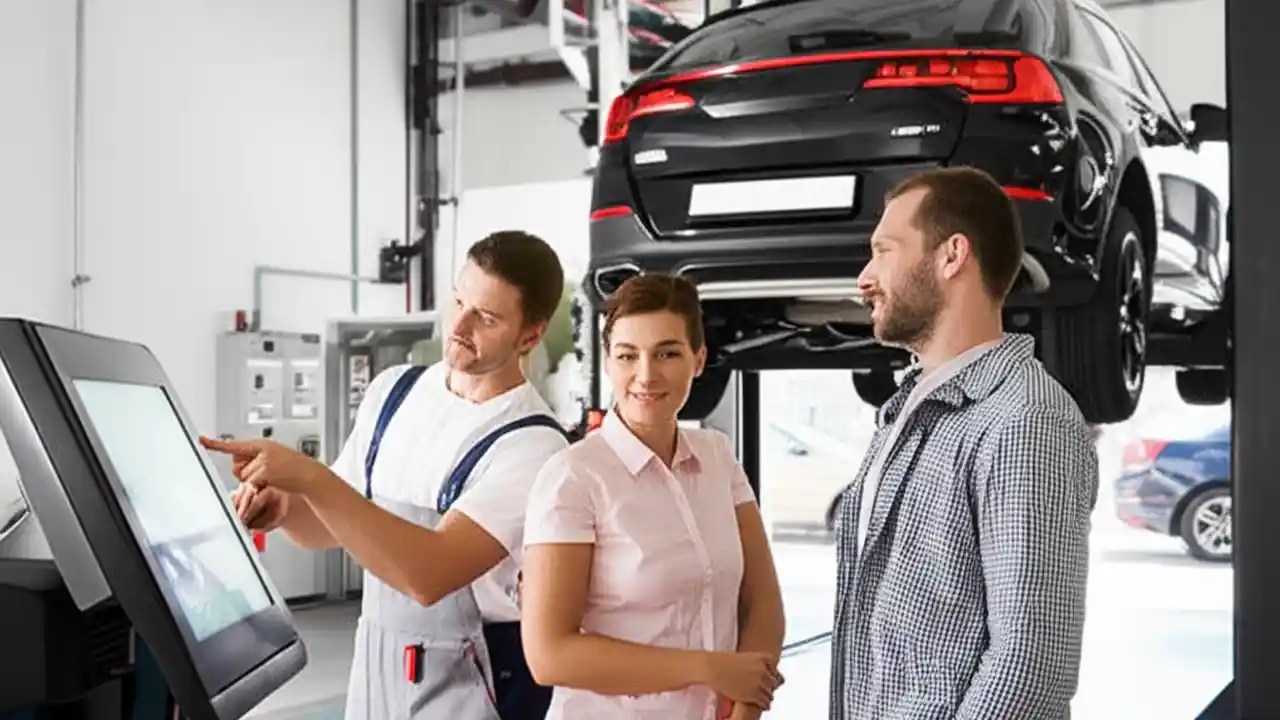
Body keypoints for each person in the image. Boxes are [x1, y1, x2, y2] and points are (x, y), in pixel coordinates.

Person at [200, 230, 571, 720]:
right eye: (458, 299)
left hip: (481, 681)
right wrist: (285, 509)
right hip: (378, 670)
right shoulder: (393, 392)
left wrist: (308, 476)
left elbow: (429, 574)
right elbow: (330, 526)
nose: (459, 325)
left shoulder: (533, 445)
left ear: (531, 334)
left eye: (486, 317)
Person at [829, 167, 1099, 719]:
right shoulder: (912, 410)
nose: (864, 277)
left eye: (884, 251)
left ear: (952, 255)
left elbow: (1030, 666)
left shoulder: (1026, 421)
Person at [519, 273, 787, 720]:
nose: (646, 375)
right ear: (608, 361)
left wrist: (745, 707)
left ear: (698, 360)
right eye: (628, 356)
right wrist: (710, 669)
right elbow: (549, 655)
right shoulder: (573, 477)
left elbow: (762, 601)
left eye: (667, 353)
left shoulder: (717, 457)